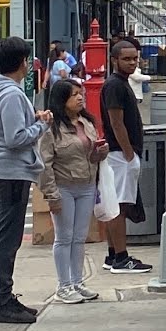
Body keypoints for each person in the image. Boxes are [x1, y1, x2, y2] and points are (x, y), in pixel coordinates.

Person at [0, 37, 52, 323]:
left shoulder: (5, 91)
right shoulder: (11, 94)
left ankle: (4, 297)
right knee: (7, 238)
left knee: (6, 237)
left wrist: (31, 120)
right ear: (23, 63)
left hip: (10, 171)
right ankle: (2, 300)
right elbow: (15, 138)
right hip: (11, 171)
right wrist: (41, 124)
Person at [38, 79, 109, 304]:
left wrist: (99, 153)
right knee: (64, 237)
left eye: (81, 93)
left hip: (87, 185)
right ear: (61, 100)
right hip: (63, 186)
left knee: (79, 237)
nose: (80, 98)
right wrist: (52, 195)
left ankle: (78, 282)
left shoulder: (86, 122)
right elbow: (45, 164)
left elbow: (90, 155)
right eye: (73, 95)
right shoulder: (51, 129)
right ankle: (64, 285)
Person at [99, 40, 152, 273]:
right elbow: (116, 122)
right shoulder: (114, 86)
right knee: (119, 206)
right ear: (114, 60)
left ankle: (113, 255)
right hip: (120, 155)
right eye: (126, 59)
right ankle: (121, 257)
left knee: (115, 204)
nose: (132, 62)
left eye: (135, 59)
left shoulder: (120, 83)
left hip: (121, 154)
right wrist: (129, 153)